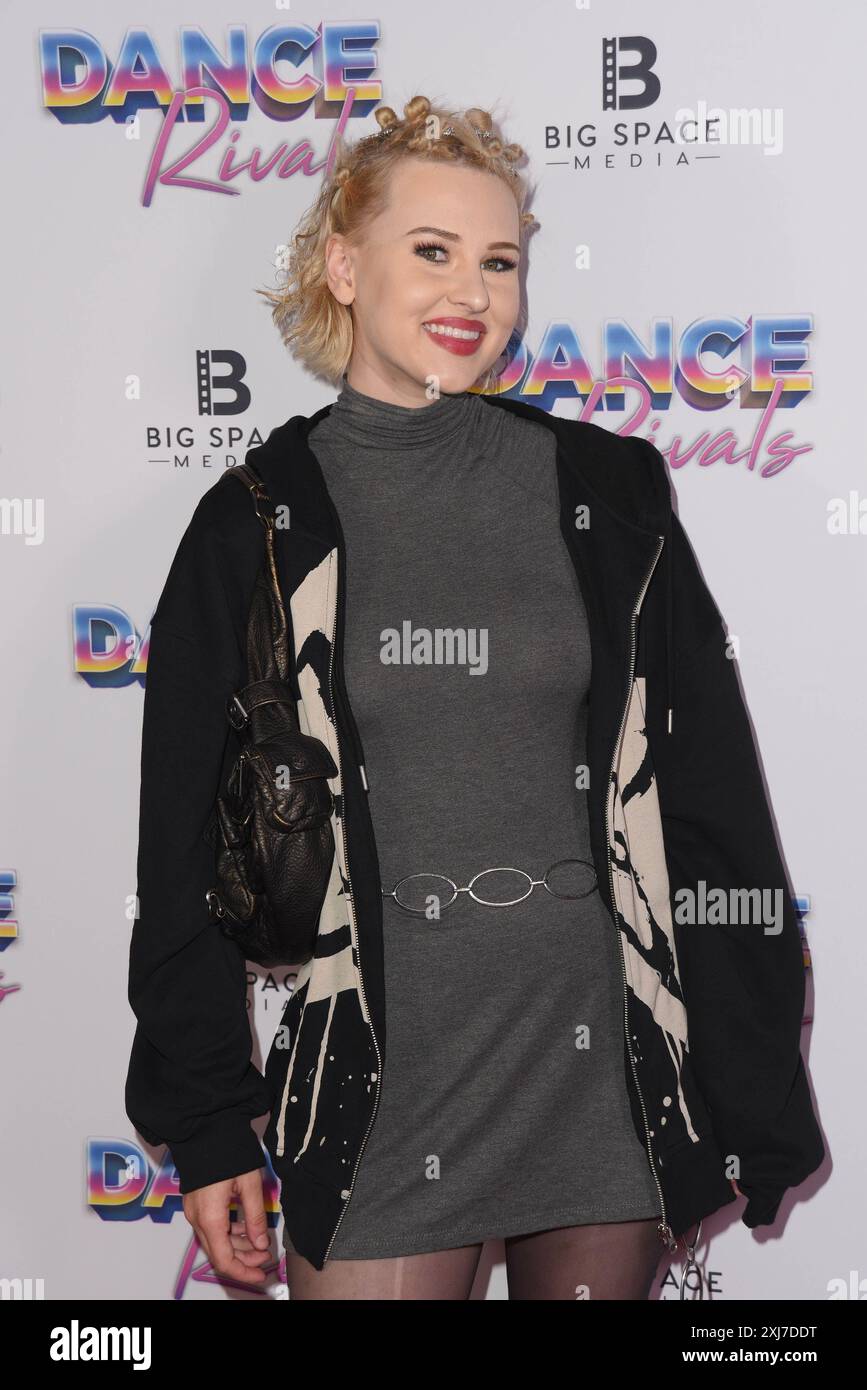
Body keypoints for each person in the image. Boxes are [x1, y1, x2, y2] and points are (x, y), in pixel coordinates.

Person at [125, 95, 824, 1301]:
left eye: (500, 261)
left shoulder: (608, 492)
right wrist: (206, 1119)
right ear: (344, 267)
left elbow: (708, 798)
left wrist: (753, 1084)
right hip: (383, 1082)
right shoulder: (256, 525)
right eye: (433, 251)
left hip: (597, 1069)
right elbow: (179, 846)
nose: (475, 293)